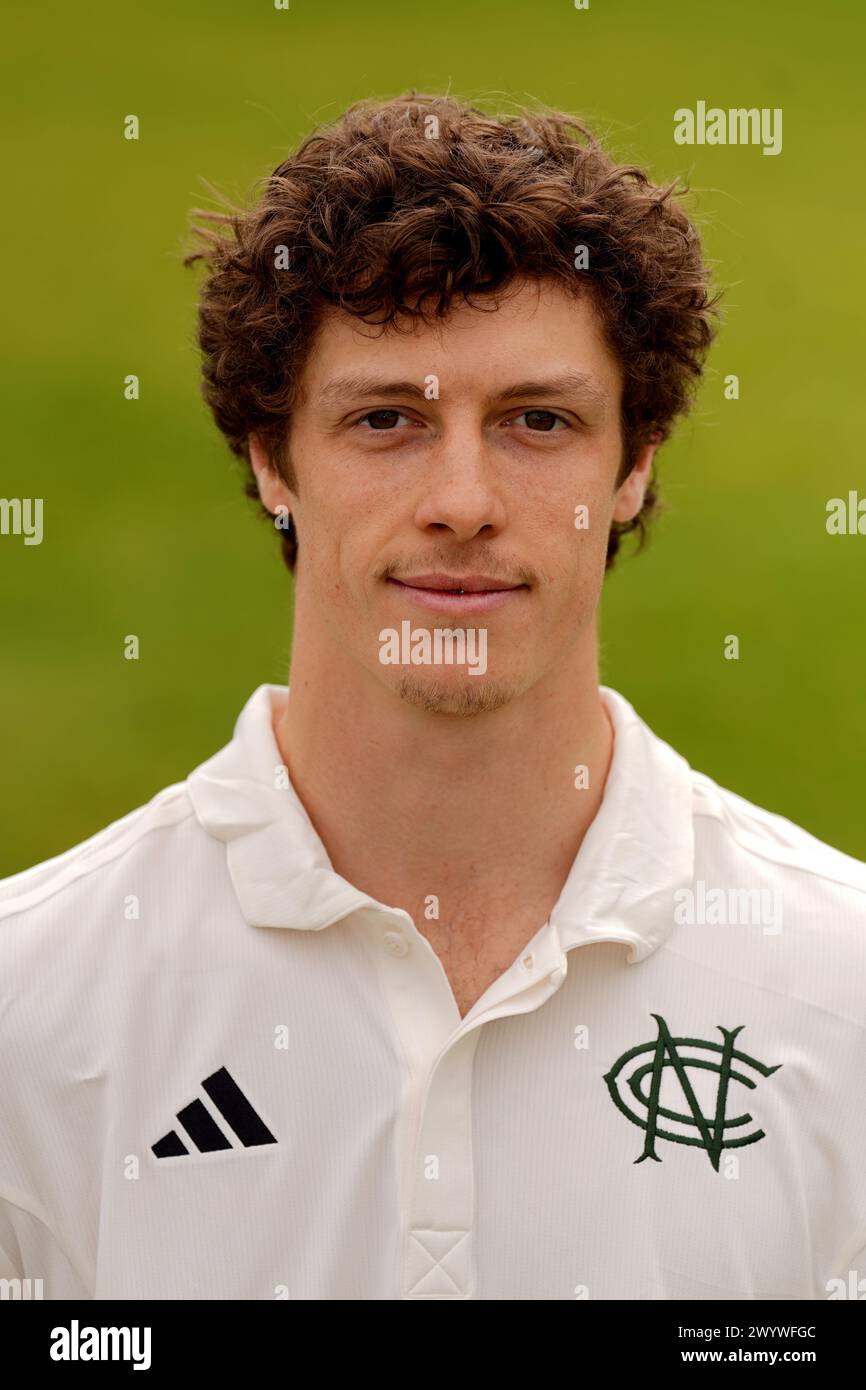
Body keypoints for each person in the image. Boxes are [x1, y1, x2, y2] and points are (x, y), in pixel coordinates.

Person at [1, 94, 864, 1302]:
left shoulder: (842, 989)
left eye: (537, 421)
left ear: (634, 463)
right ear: (269, 456)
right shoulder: (29, 1009)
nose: (461, 497)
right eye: (386, 420)